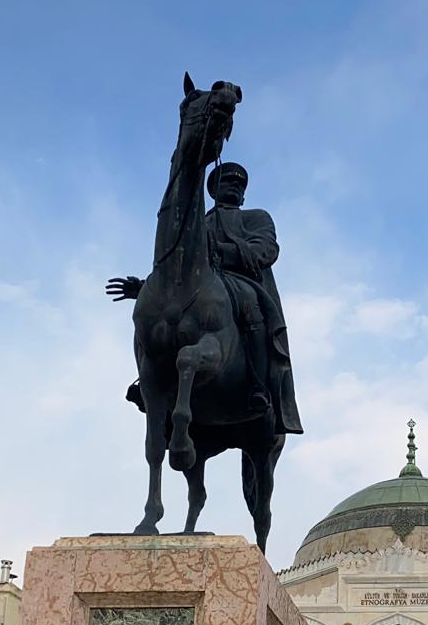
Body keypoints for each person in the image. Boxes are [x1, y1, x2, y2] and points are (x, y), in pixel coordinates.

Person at [108, 161, 302, 433]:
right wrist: (143, 288)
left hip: (241, 282)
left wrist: (220, 251)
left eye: (239, 184)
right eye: (226, 181)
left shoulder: (256, 217)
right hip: (199, 290)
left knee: (251, 308)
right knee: (151, 315)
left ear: (244, 194)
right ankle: (150, 384)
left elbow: (266, 250)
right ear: (213, 190)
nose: (233, 186)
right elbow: (177, 270)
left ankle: (259, 386)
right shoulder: (196, 224)